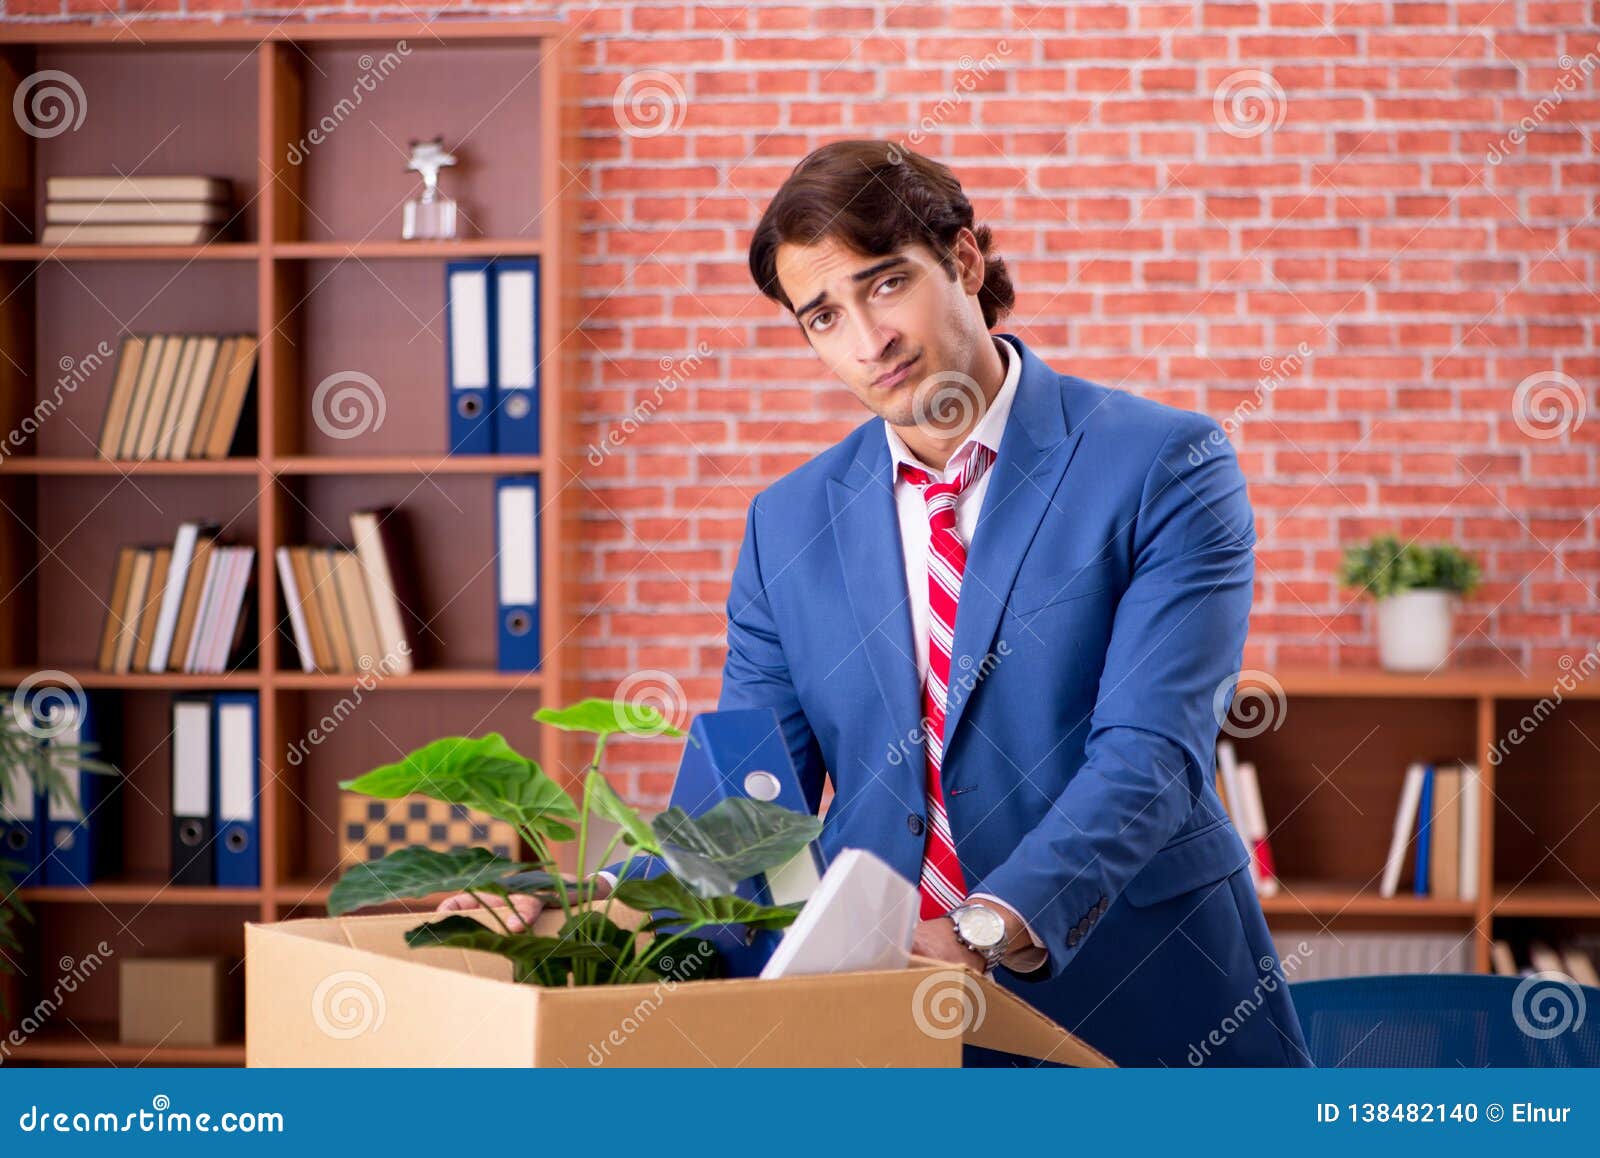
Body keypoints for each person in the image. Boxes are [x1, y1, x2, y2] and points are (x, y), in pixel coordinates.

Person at [442, 139, 1311, 1067]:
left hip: (1143, 1001)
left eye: (886, 284)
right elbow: (753, 805)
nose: (868, 341)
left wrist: (984, 926)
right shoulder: (787, 524)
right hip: (890, 1016)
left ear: (964, 261)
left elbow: (1150, 756)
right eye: (824, 316)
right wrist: (587, 895)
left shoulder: (1164, 465)